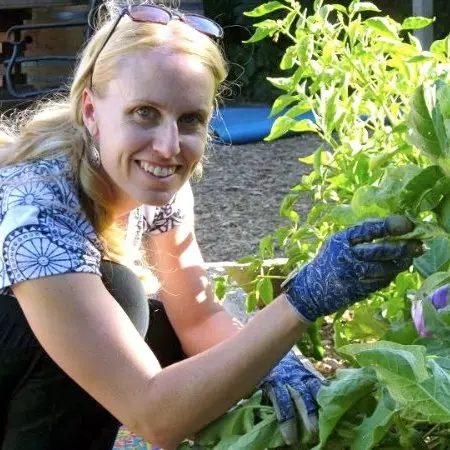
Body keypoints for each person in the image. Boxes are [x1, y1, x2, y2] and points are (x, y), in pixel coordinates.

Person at [0, 1, 424, 449]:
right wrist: (300, 302)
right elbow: (154, 416)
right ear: (90, 111)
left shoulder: (156, 180)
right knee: (121, 298)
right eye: (144, 112)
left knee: (157, 325)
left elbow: (198, 318)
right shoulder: (38, 210)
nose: (168, 146)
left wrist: (278, 361)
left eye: (190, 120)